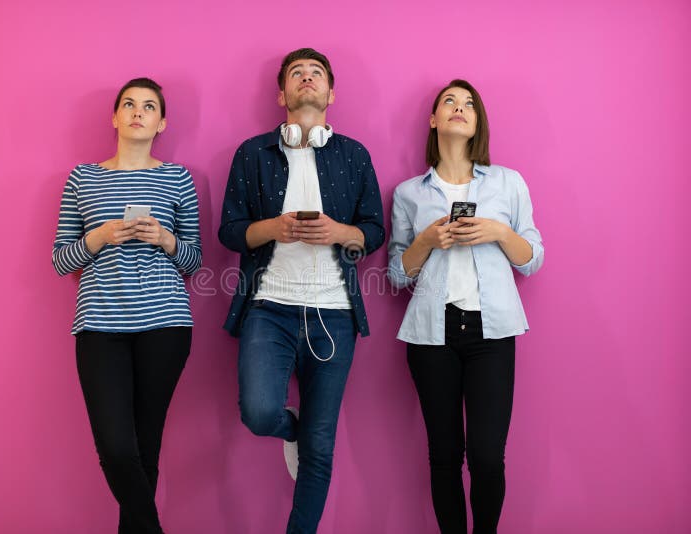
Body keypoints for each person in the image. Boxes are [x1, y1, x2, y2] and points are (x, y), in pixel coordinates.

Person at [218, 48, 384, 533]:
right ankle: (291, 428)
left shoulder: (355, 155)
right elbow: (230, 232)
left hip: (334, 313)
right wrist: (273, 228)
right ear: (282, 94)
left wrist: (340, 233)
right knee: (258, 412)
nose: (306, 79)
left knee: (322, 445)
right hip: (268, 309)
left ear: (331, 93)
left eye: (316, 74)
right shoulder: (252, 152)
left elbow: (373, 230)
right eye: (297, 73)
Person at [387, 79, 544, 534]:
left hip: (492, 334)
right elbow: (397, 274)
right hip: (430, 336)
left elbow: (533, 258)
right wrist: (426, 240)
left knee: (486, 456)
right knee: (443, 455)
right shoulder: (408, 193)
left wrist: (497, 231)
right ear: (434, 119)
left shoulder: (508, 183)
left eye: (469, 104)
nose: (460, 108)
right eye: (449, 102)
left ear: (477, 123)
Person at [52, 77, 201, 534]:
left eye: (149, 107)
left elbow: (194, 260)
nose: (138, 112)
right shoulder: (83, 177)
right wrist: (96, 238)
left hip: (165, 326)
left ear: (162, 123)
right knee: (117, 447)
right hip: (99, 325)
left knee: (145, 447)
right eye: (130, 105)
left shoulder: (177, 177)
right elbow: (61, 260)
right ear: (114, 117)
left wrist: (165, 238)